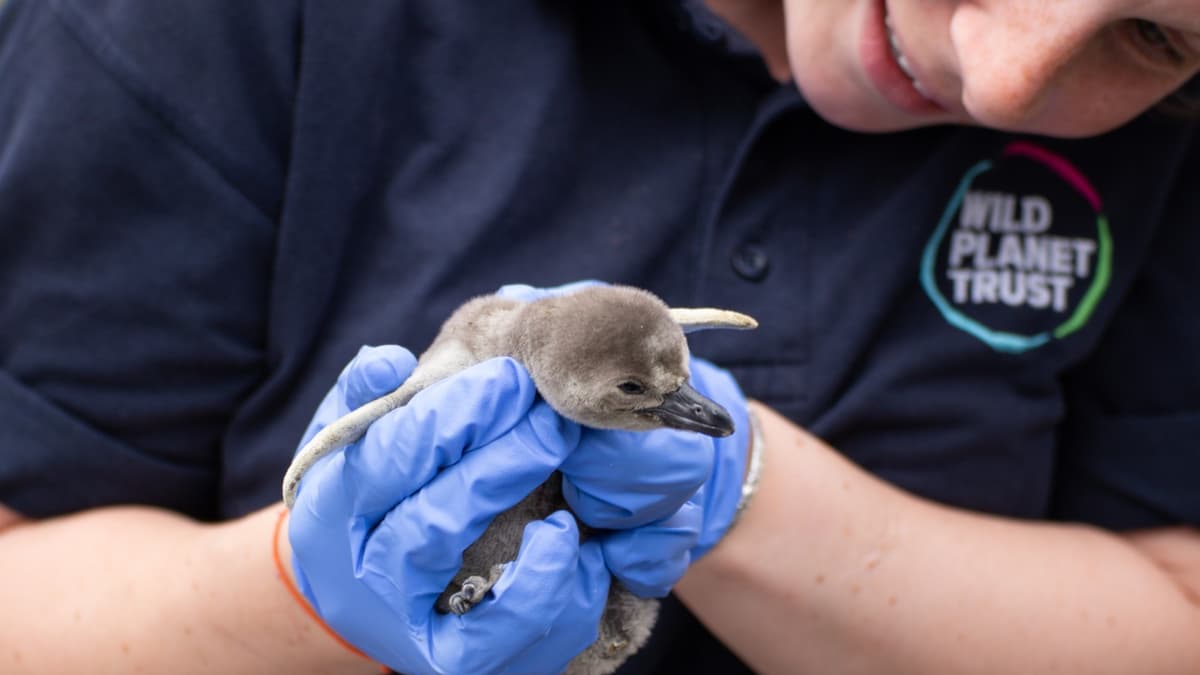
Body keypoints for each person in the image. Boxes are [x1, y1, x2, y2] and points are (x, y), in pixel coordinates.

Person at [0, 0, 1197, 673]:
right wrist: (296, 593)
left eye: (1156, 36)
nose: (1003, 78)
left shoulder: (1167, 141)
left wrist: (752, 499)